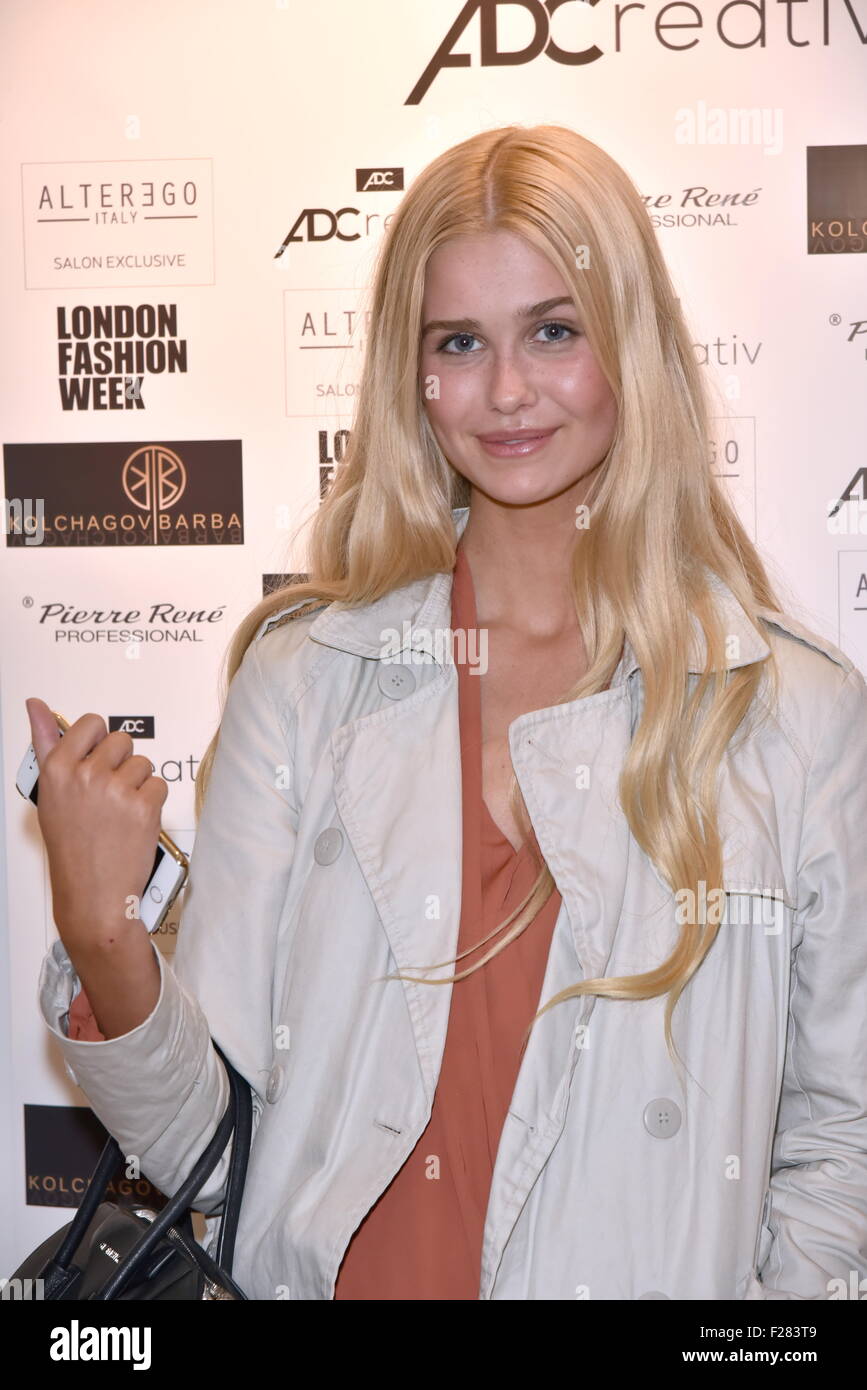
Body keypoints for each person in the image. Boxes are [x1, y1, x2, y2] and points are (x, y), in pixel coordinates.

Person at [26, 124, 867, 1300]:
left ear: (633, 342)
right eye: (460, 342)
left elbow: (841, 1148)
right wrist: (103, 922)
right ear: (409, 374)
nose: (509, 389)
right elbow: (205, 1158)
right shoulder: (307, 682)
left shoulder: (792, 714)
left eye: (556, 331)